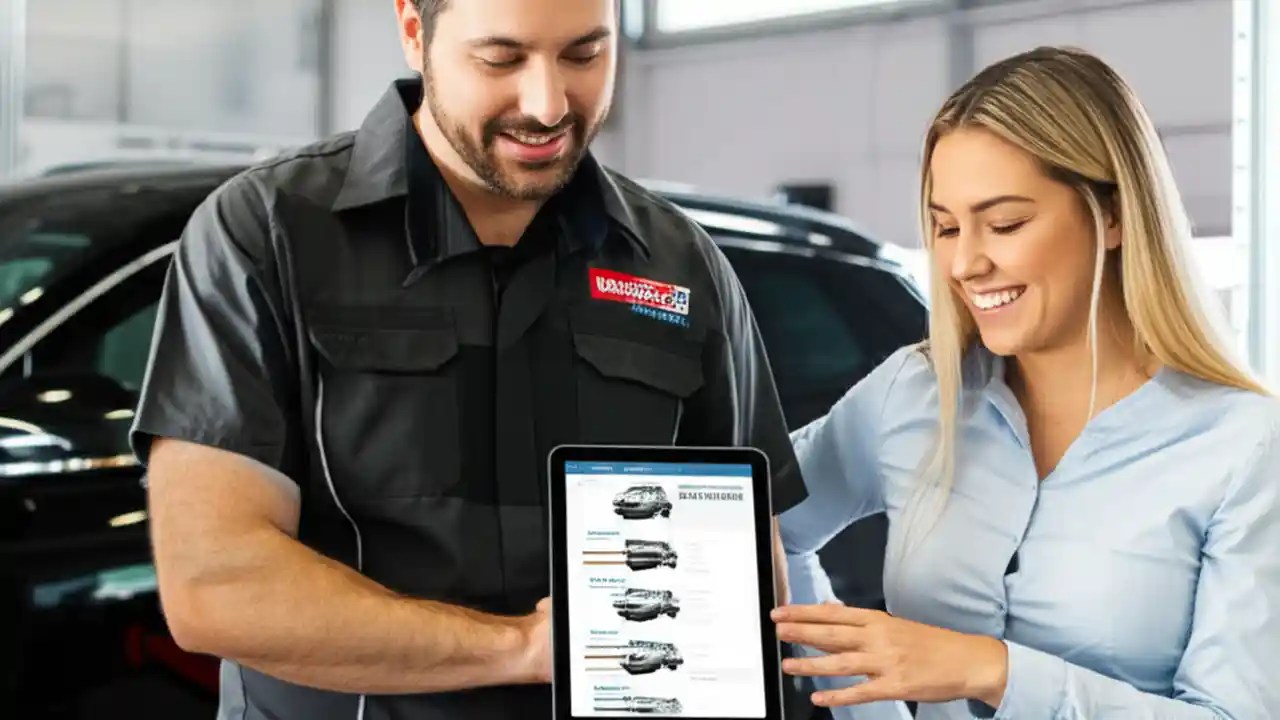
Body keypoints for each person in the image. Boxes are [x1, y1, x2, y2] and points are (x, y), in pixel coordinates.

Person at [130, 1, 808, 718]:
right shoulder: (269, 235)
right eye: (501, 59)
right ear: (414, 31)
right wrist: (522, 649)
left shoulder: (681, 267)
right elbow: (217, 586)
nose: (547, 104)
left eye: (584, 55)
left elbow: (747, 582)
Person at [772, 46, 1279, 720]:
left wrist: (991, 670)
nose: (965, 262)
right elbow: (762, 518)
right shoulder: (913, 393)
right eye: (946, 227)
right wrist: (859, 697)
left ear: (1115, 214)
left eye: (1006, 223)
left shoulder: (1244, 447)